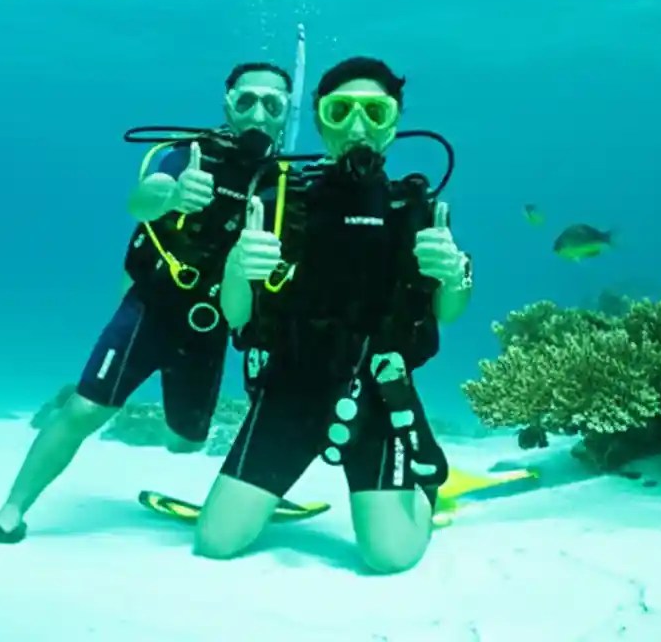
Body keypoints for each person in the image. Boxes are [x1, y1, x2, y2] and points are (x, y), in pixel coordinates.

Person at [0, 62, 294, 545]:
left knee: (187, 442)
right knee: (84, 411)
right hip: (151, 310)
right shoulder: (189, 155)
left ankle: (244, 487)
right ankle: (8, 515)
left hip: (210, 328)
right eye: (246, 100)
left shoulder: (286, 185)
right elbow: (141, 202)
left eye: (272, 104)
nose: (258, 114)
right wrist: (171, 197)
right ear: (228, 103)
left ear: (287, 112)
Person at [195, 57, 474, 573]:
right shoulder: (282, 200)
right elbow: (237, 317)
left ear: (394, 122)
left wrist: (456, 276)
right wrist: (236, 268)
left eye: (375, 111)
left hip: (379, 392)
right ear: (321, 120)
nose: (357, 126)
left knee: (389, 556)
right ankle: (262, 495)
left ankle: (423, 488)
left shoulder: (413, 209)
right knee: (215, 541)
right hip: (290, 388)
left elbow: (448, 312)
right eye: (340, 111)